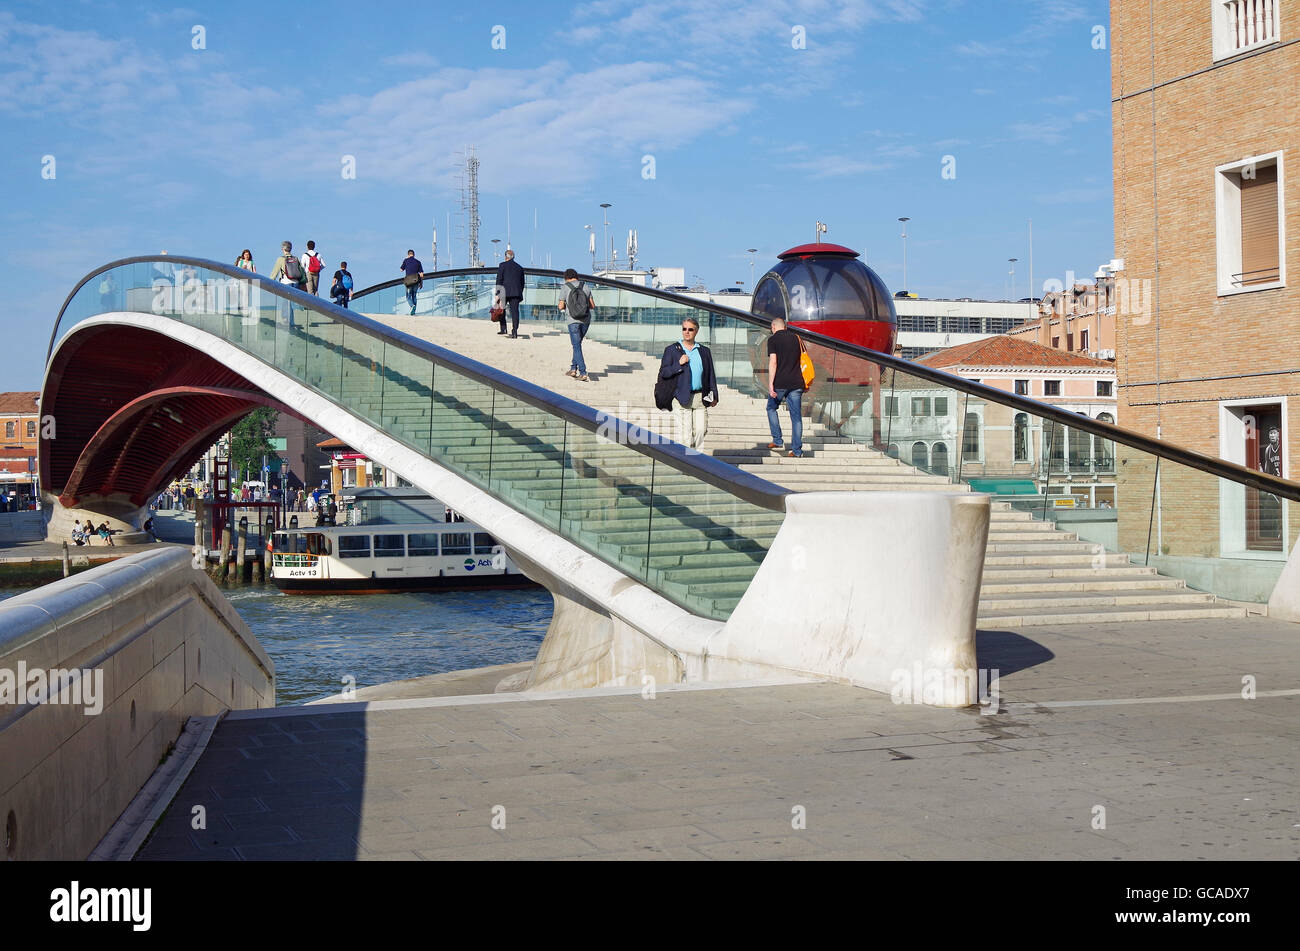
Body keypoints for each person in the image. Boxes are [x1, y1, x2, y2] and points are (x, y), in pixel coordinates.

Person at [658, 315, 719, 450]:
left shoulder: (704, 351)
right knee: (684, 436)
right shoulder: (672, 350)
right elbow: (664, 373)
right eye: (684, 329)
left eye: (690, 329)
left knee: (700, 431)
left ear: (696, 331)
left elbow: (710, 375)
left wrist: (714, 395)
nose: (687, 332)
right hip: (681, 396)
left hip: (700, 397)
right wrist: (678, 364)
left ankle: (692, 456)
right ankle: (687, 464)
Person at [765, 317, 806, 457]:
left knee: (771, 408)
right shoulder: (797, 338)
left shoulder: (773, 340)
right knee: (796, 418)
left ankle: (777, 440)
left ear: (773, 327)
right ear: (785, 327)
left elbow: (773, 362)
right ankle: (797, 451)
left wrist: (770, 384)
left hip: (780, 383)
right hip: (796, 383)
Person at [557, 268, 595, 382]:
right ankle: (573, 369)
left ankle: (583, 372)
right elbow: (592, 305)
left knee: (576, 345)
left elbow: (560, 306)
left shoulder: (565, 287)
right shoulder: (585, 286)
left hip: (573, 320)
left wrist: (568, 306)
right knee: (577, 344)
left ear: (566, 277)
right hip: (585, 320)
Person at [271, 240, 305, 328]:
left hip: (286, 282)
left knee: (286, 302)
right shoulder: (296, 258)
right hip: (296, 283)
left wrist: (270, 282)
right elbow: (302, 271)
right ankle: (292, 321)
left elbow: (274, 273)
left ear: (283, 249)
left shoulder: (281, 259)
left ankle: (286, 320)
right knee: (292, 303)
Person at [494, 249, 525, 338]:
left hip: (504, 291)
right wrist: (520, 292)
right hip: (516, 292)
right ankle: (514, 331)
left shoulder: (502, 265)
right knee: (515, 312)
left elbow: (499, 279)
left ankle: (503, 328)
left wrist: (497, 293)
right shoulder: (519, 267)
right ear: (513, 257)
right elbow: (522, 282)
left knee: (501, 309)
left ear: (505, 257)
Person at [399, 249, 423, 315]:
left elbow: (401, 269)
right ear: (414, 255)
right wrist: (421, 283)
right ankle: (413, 311)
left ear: (408, 254)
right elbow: (421, 274)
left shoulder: (406, 260)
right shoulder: (418, 262)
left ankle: (412, 306)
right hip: (416, 281)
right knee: (414, 295)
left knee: (408, 296)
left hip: (409, 281)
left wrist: (405, 259)